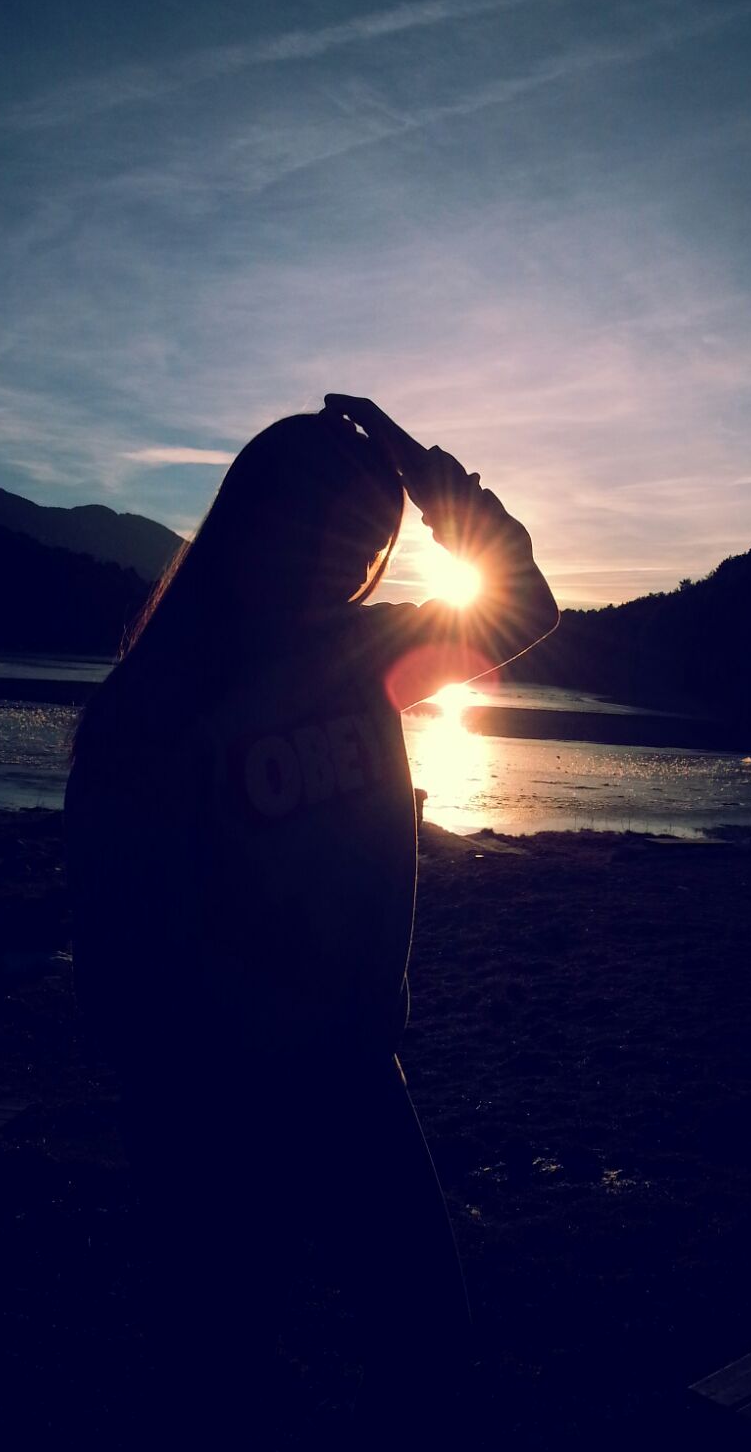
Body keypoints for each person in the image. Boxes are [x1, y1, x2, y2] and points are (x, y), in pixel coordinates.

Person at [63, 397, 558, 1438]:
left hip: (357, 1087)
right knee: (223, 1379)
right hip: (208, 1114)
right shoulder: (151, 710)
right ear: (267, 517)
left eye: (373, 541)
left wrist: (430, 477)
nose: (354, 559)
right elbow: (123, 966)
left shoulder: (366, 655)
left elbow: (523, 603)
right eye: (341, 527)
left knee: (426, 1350)